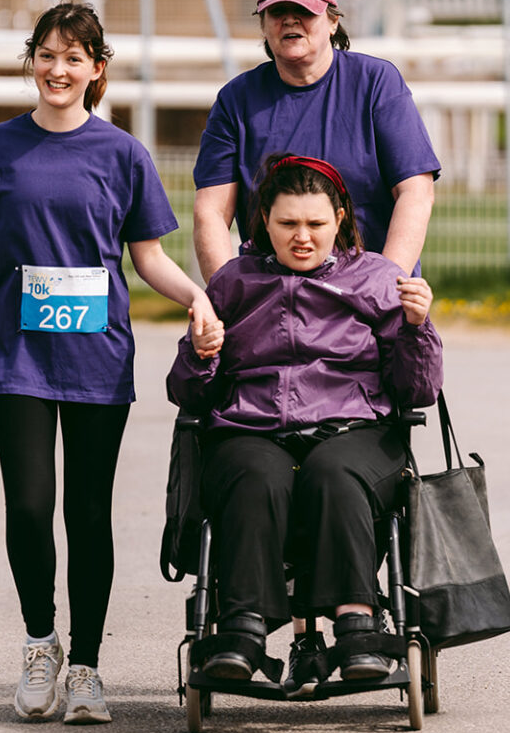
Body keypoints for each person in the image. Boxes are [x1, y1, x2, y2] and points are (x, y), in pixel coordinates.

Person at [0, 0, 220, 725]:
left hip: (97, 359)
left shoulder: (123, 155)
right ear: (31, 61)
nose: (57, 69)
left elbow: (149, 257)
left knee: (87, 514)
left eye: (74, 57)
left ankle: (88, 667)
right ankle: (41, 644)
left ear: (97, 70)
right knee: (30, 508)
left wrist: (197, 298)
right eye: (46, 54)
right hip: (18, 357)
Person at [166, 154, 442, 696]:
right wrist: (201, 355)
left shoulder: (378, 279)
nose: (302, 237)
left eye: (316, 224)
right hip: (253, 428)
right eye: (288, 223)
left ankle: (357, 625)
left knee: (333, 475)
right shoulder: (232, 284)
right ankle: (241, 631)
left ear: (339, 218)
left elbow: (418, 390)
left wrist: (416, 327)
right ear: (263, 219)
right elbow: (186, 392)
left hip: (354, 429)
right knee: (255, 475)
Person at [192, 0, 440, 283]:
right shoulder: (236, 99)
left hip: (366, 288)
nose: (290, 20)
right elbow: (210, 211)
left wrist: (385, 286)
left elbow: (415, 194)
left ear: (333, 22)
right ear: (263, 26)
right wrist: (228, 295)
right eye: (278, 11)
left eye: (305, 11)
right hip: (273, 293)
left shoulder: (377, 83)